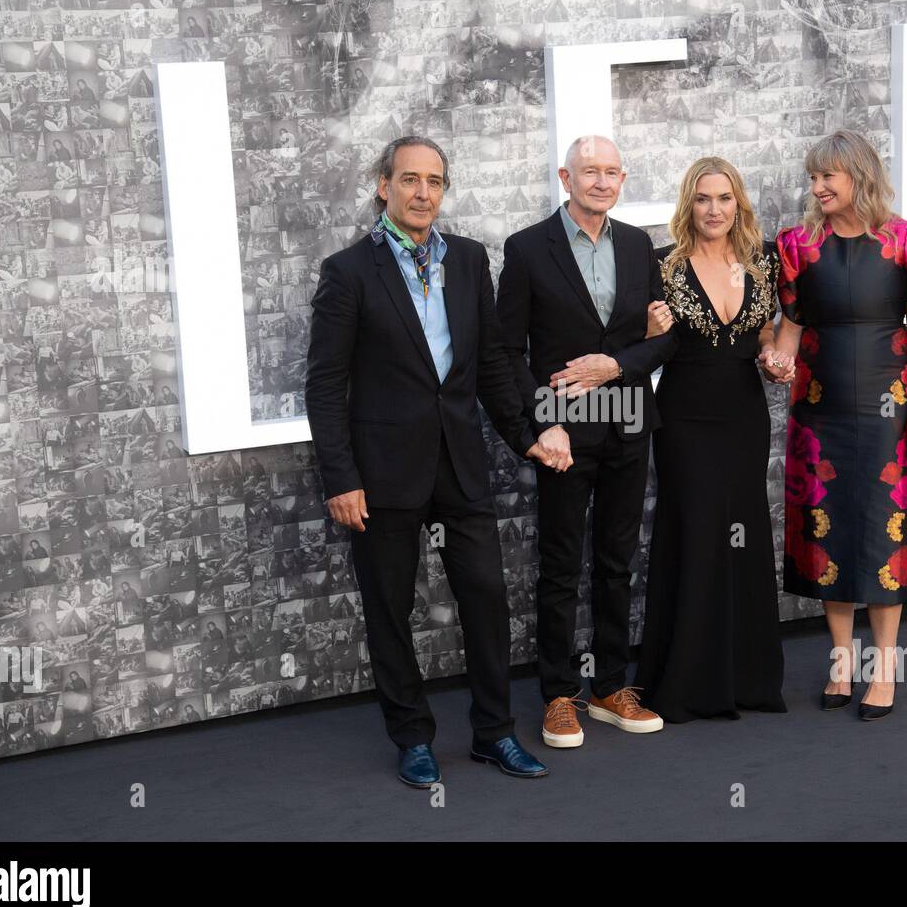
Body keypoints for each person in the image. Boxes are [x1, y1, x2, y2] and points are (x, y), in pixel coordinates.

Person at [305, 135, 560, 787]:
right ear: (383, 186)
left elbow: (494, 365)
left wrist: (525, 434)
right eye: (410, 179)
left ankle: (493, 734)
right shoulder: (348, 271)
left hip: (460, 464)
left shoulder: (471, 261)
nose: (423, 193)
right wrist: (342, 477)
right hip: (382, 474)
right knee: (390, 607)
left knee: (486, 599)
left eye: (435, 181)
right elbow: (326, 385)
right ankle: (412, 737)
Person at [497, 134, 675, 748]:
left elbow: (663, 339)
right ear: (564, 178)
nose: (601, 182)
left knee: (617, 561)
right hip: (562, 431)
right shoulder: (525, 250)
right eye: (589, 172)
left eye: (612, 173)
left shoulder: (637, 245)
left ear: (622, 180)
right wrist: (540, 421)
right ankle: (558, 695)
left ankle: (608, 688)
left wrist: (616, 367)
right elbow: (504, 351)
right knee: (561, 564)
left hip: (628, 420)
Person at [772, 129, 907, 720]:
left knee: (883, 531)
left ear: (860, 175)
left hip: (888, 408)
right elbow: (792, 328)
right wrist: (776, 358)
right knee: (828, 532)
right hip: (817, 411)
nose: (817, 187)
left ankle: (884, 669)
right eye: (812, 178)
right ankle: (840, 663)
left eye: (828, 176)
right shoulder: (795, 245)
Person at [635, 157, 794, 722]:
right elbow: (645, 340)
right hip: (684, 415)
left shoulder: (764, 262)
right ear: (689, 204)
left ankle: (746, 678)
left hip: (745, 413)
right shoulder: (662, 265)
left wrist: (774, 359)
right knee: (697, 531)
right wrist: (650, 331)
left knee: (745, 532)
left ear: (738, 204)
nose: (714, 209)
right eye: (703, 198)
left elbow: (763, 333)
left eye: (724, 198)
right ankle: (686, 683)